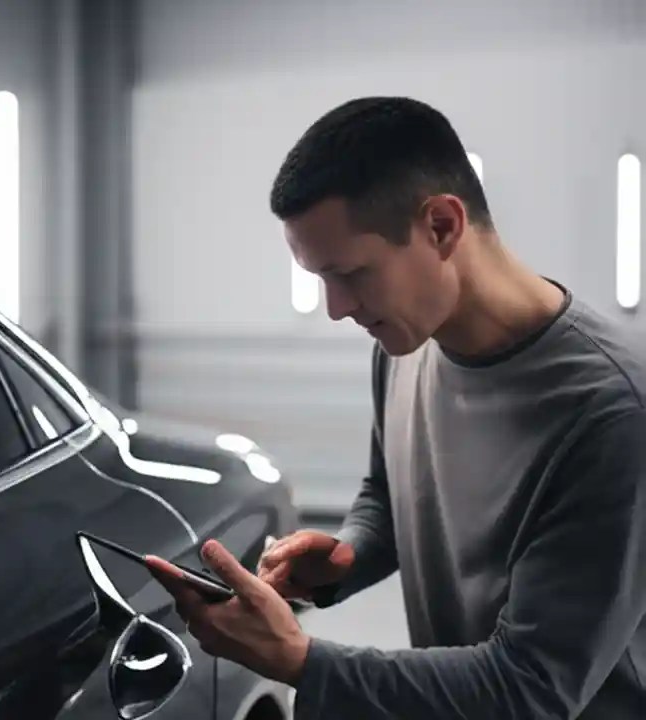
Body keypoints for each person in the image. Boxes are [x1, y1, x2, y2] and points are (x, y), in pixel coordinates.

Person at [146, 96, 646, 719]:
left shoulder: (610, 412)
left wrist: (300, 660)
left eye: (349, 274)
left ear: (441, 226)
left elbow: (531, 689)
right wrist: (346, 557)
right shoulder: (405, 343)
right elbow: (388, 492)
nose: (335, 308)